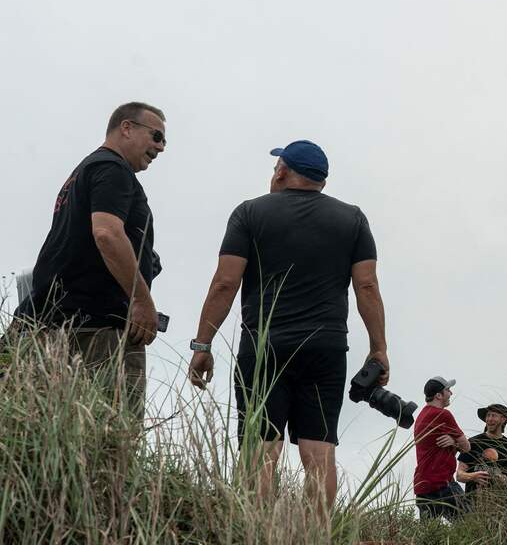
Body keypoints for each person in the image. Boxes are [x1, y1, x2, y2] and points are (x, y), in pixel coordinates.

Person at [186, 140, 388, 520]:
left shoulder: (249, 213)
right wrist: (379, 348)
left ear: (282, 171)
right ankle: (317, 537)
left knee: (261, 447)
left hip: (266, 347)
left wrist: (203, 343)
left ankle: (255, 532)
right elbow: (367, 287)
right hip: (326, 348)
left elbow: (224, 283)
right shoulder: (353, 219)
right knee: (319, 450)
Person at [25, 102, 167, 415]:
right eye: (156, 135)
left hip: (60, 325)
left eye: (164, 141)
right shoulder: (113, 169)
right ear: (127, 128)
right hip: (99, 332)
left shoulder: (86, 171)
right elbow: (106, 233)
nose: (160, 146)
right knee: (113, 440)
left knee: (61, 437)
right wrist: (142, 301)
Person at [413, 376, 470, 520]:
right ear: (439, 395)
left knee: (428, 536)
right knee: (471, 525)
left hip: (423, 484)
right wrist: (455, 443)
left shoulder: (421, 416)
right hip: (442, 484)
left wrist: (452, 443)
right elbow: (467, 447)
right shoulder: (443, 414)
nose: (451, 393)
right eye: (448, 390)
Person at [457, 403, 507, 495]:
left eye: (494, 416)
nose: (489, 419)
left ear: (503, 419)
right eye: (488, 415)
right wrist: (474, 476)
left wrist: (506, 481)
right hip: (472, 503)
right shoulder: (473, 442)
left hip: (500, 504)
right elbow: (459, 475)